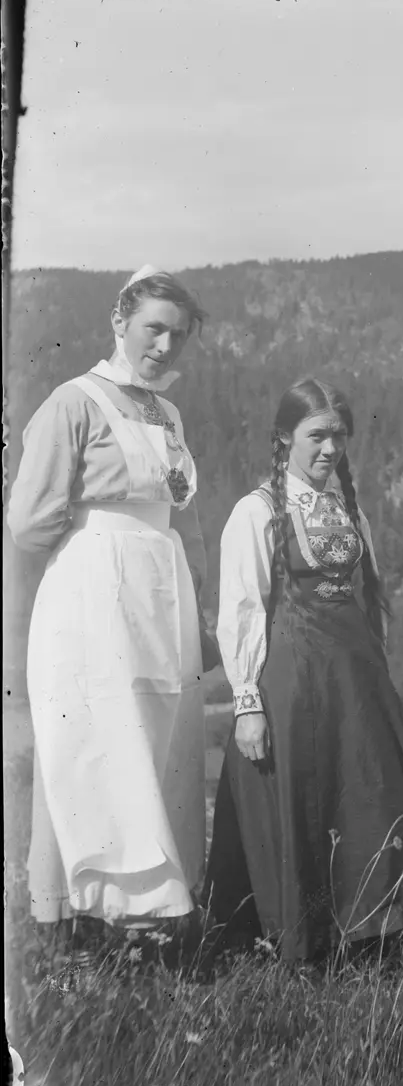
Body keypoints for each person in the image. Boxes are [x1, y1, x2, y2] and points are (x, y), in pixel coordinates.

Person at [204, 378, 403, 966]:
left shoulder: (348, 511)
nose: (329, 448)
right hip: (296, 688)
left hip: (357, 686)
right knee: (308, 806)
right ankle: (299, 942)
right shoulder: (259, 512)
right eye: (316, 435)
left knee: (368, 798)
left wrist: (377, 673)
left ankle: (375, 933)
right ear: (283, 438)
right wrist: (247, 703)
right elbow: (241, 607)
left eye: (338, 435)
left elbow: (371, 602)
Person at [7, 265, 213, 957]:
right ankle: (78, 925)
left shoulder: (169, 414)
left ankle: (149, 921)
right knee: (96, 741)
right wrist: (88, 547)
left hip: (161, 592)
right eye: (154, 327)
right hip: (94, 585)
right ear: (119, 321)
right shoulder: (75, 401)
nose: (164, 345)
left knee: (159, 741)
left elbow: (181, 513)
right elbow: (30, 520)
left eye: (178, 336)